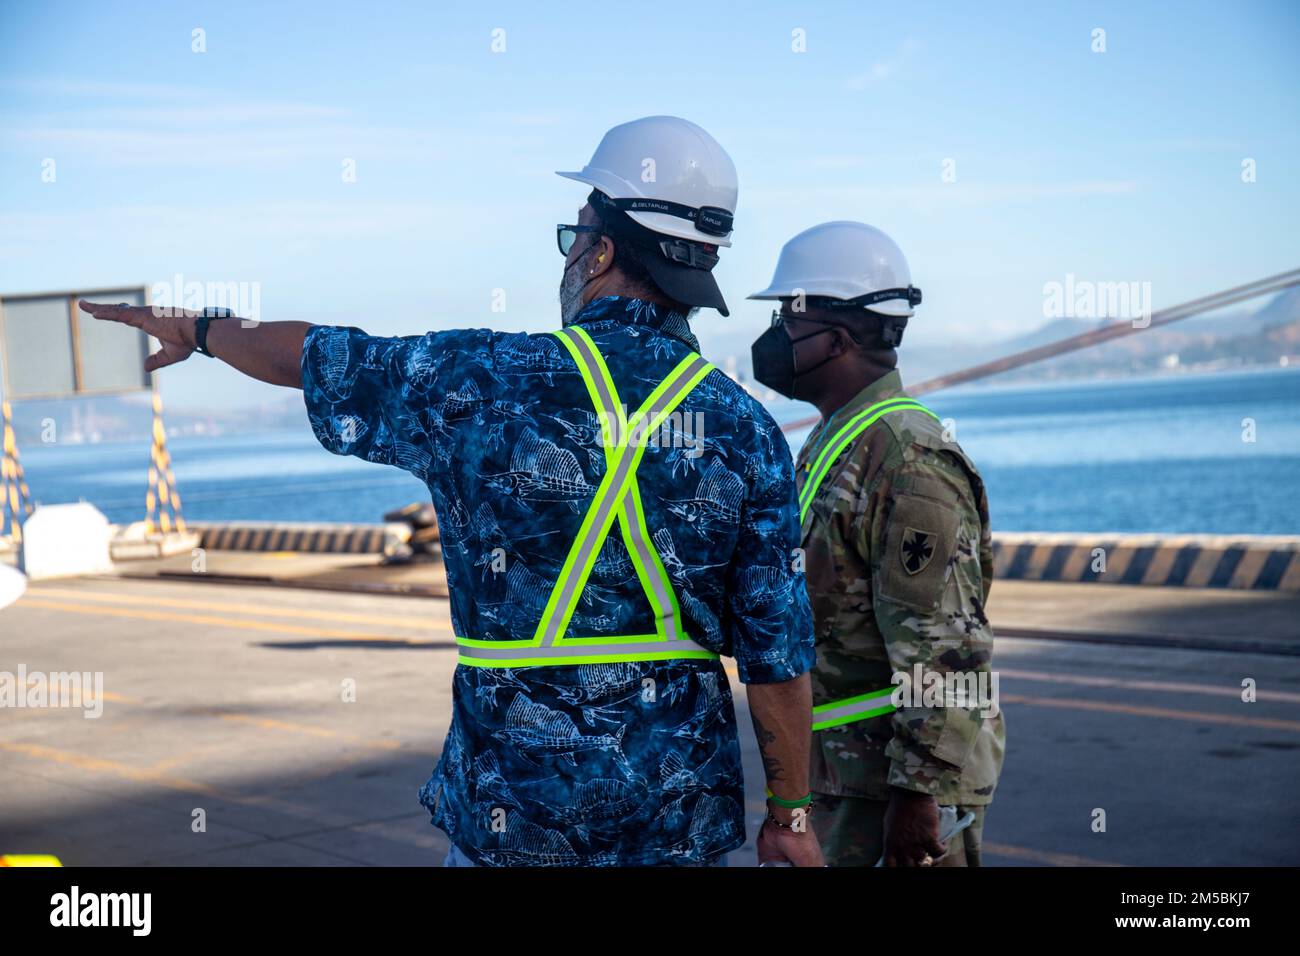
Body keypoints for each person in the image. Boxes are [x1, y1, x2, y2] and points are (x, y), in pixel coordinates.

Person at [82, 116, 824, 867]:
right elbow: (778, 656)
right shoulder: (747, 430)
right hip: (675, 823)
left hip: (509, 817)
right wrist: (789, 817)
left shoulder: (479, 380)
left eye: (574, 239)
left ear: (598, 253)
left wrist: (201, 331)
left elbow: (317, 357)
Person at [748, 221, 1006, 866]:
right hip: (846, 775)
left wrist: (920, 797)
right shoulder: (843, 438)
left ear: (835, 340)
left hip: (890, 790)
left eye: (788, 317)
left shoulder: (907, 457)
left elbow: (945, 643)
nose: (775, 335)